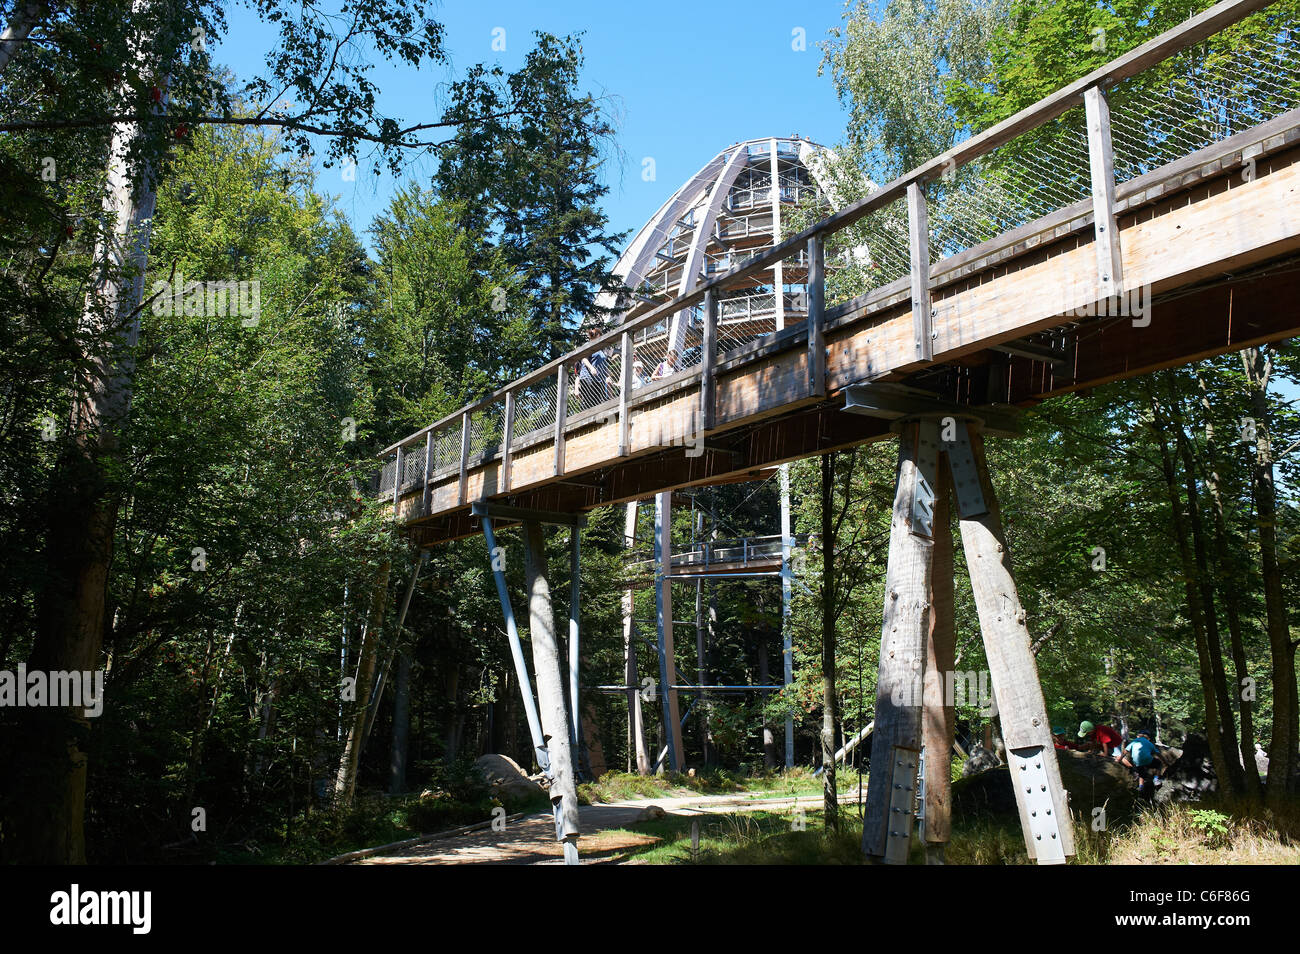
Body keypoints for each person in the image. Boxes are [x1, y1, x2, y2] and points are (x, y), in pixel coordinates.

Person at [576, 324, 610, 407]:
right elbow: (584, 358)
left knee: (597, 404)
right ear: (598, 335)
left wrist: (608, 375)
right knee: (589, 403)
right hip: (588, 378)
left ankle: (596, 420)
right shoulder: (589, 345)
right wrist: (591, 368)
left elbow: (603, 364)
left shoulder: (600, 350)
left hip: (598, 380)